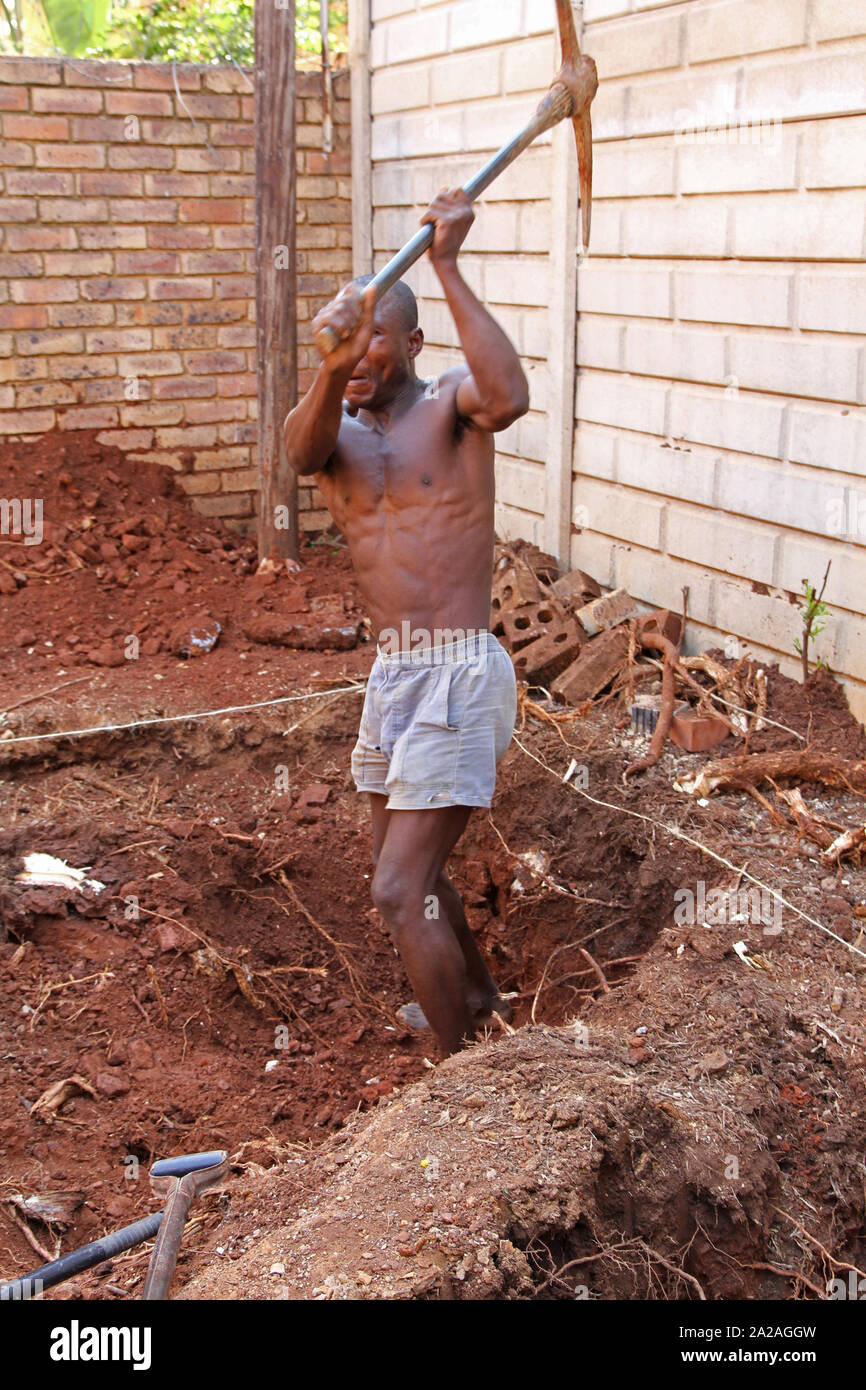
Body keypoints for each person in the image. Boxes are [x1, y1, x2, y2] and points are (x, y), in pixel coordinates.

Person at [283, 188, 530, 1055]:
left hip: (460, 667)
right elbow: (298, 453)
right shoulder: (335, 435)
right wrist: (329, 361)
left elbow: (510, 394)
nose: (356, 355)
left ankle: (456, 1075)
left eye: (373, 337)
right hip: (395, 676)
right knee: (412, 880)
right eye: (344, 338)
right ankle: (481, 996)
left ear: (414, 343)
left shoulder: (452, 407)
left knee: (397, 889)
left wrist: (448, 263)